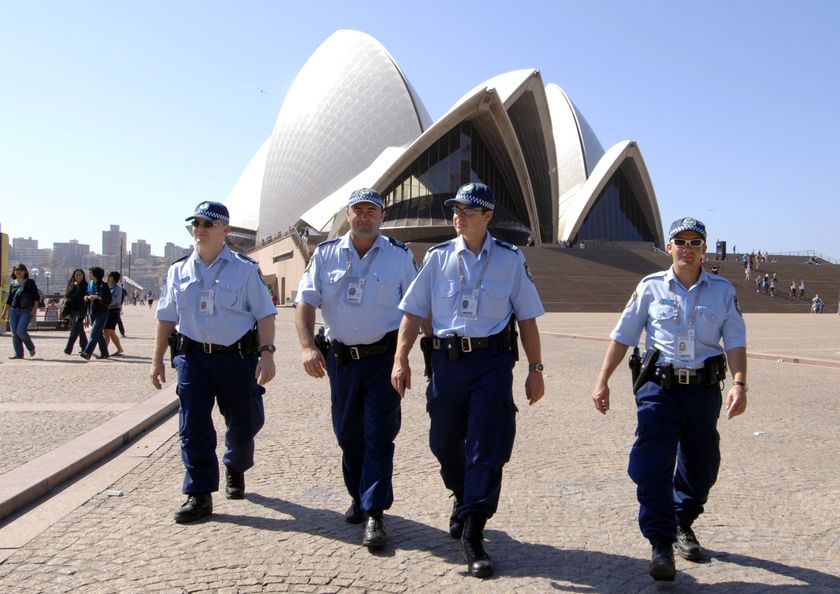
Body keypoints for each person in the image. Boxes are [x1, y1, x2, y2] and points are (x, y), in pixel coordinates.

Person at [391, 182, 545, 579]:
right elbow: (411, 311)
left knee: (487, 444)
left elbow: (526, 317)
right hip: (447, 362)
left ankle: (474, 526)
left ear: (488, 216)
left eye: (467, 211)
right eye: (455, 210)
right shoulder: (438, 258)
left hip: (492, 362)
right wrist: (400, 359)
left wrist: (535, 369)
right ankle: (462, 494)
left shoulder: (510, 260)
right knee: (442, 441)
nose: (458, 216)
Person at [590, 217, 748, 582]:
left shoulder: (722, 291)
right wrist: (602, 381)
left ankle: (683, 520)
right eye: (681, 241)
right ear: (669, 247)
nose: (688, 248)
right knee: (652, 463)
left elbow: (736, 341)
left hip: (703, 390)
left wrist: (739, 384)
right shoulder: (649, 287)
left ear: (704, 249)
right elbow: (623, 336)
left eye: (695, 242)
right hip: (659, 388)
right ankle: (661, 542)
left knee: (702, 464)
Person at [294, 188, 418, 550]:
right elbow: (305, 302)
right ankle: (358, 496)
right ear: (347, 215)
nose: (364, 216)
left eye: (371, 210)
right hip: (341, 361)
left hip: (383, 359)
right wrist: (305, 347)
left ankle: (375, 512)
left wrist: (404, 357)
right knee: (348, 434)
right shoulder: (326, 254)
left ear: (382, 216)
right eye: (358, 210)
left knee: (379, 434)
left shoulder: (398, 256)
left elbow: (414, 308)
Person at [149, 201, 277, 524]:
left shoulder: (245, 269)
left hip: (235, 358)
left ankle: (235, 463)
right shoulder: (178, 271)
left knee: (245, 421)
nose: (200, 230)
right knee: (193, 426)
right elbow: (165, 318)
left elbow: (265, 313)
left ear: (225, 230)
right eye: (196, 224)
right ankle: (199, 494)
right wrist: (157, 361)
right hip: (192, 358)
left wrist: (267, 353)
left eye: (208, 224)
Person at [2, 263, 40, 359]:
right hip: (13, 310)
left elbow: (36, 297)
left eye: (21, 270)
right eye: (16, 270)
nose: (18, 272)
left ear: (25, 272)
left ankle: (30, 347)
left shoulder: (30, 282)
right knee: (14, 333)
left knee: (21, 331)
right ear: (14, 271)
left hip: (26, 310)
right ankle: (19, 354)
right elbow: (10, 299)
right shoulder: (12, 283)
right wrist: (4, 312)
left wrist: (35, 309)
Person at [80, 266, 112, 360]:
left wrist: (98, 297)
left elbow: (108, 299)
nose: (88, 274)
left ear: (95, 274)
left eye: (90, 273)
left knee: (94, 332)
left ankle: (87, 352)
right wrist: (86, 297)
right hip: (92, 311)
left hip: (102, 312)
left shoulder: (104, 285)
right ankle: (105, 353)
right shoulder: (90, 284)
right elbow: (87, 294)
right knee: (98, 334)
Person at [63, 268, 89, 355]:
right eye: (77, 275)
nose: (78, 277)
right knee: (80, 329)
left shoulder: (86, 285)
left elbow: (87, 298)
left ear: (83, 276)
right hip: (72, 310)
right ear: (74, 276)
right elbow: (66, 295)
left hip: (81, 310)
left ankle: (68, 349)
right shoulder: (71, 285)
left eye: (80, 275)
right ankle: (85, 347)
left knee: (74, 329)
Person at [103, 271, 125, 355]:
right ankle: (119, 349)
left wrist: (104, 300)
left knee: (106, 331)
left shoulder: (117, 288)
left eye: (109, 276)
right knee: (111, 332)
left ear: (114, 278)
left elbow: (114, 301)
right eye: (107, 276)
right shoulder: (107, 287)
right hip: (107, 311)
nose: (107, 277)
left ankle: (103, 352)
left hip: (114, 311)